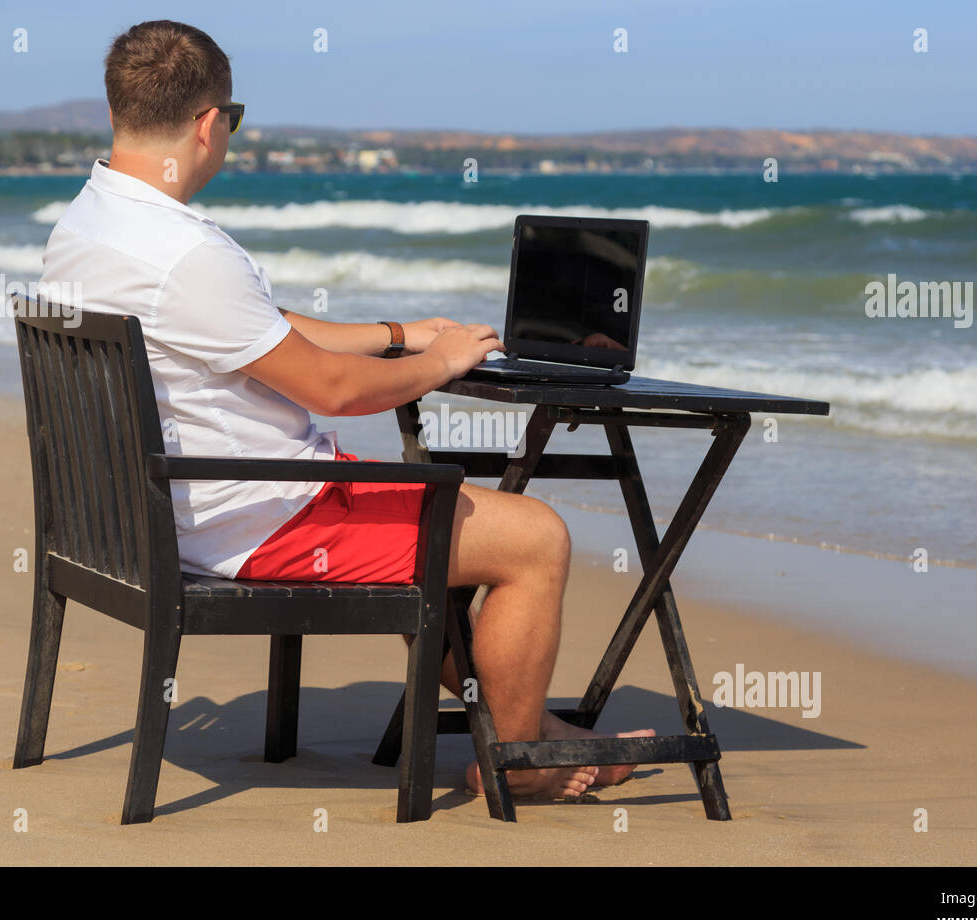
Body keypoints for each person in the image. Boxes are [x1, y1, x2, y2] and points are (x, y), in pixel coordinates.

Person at [40, 19, 651, 800]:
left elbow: (266, 327)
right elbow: (331, 391)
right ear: (208, 123)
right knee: (534, 538)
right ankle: (524, 758)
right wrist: (441, 364)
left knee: (441, 518)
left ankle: (525, 728)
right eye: (232, 119)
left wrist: (398, 335)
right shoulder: (188, 255)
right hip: (257, 520)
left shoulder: (89, 224)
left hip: (154, 513)